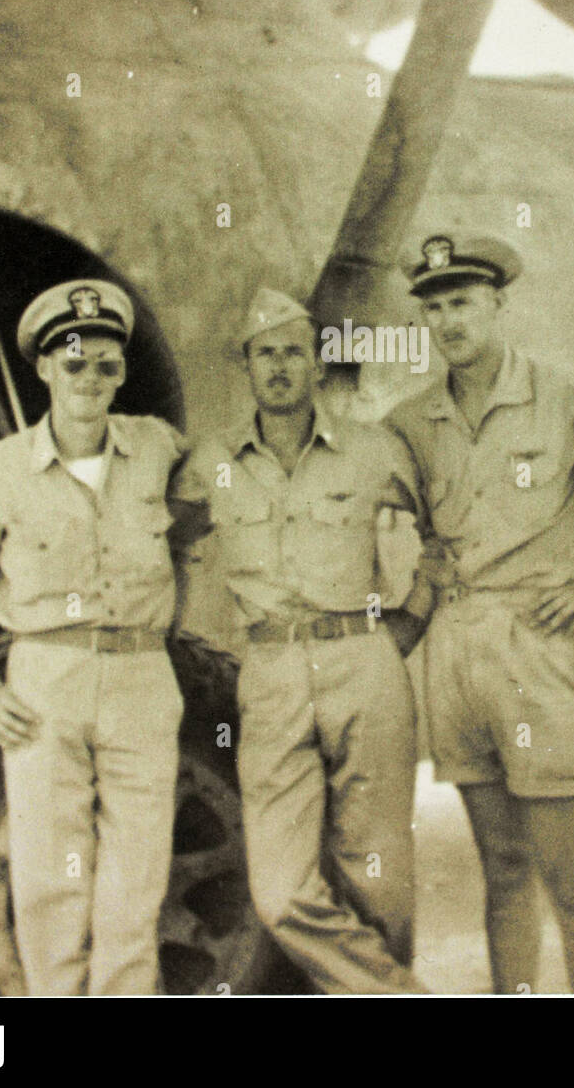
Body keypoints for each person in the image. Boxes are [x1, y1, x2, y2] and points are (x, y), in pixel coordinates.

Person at [386, 233, 574, 994]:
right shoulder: (411, 419)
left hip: (538, 651)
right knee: (502, 873)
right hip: (456, 655)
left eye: (461, 302)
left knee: (573, 880)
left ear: (497, 304)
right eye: (433, 308)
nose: (448, 320)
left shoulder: (562, 391)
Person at [0, 279, 186, 996]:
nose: (89, 380)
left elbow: (203, 525)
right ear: (43, 370)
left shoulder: (159, 451)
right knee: (48, 880)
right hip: (44, 685)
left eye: (104, 365)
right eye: (73, 364)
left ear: (122, 372)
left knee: (136, 876)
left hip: (141, 678)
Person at [171, 288, 430, 994]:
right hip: (272, 672)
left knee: (376, 873)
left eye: (293, 351)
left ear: (315, 363)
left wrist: (412, 615)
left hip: (363, 661)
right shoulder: (213, 463)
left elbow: (448, 527)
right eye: (265, 354)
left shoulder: (372, 450)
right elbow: (169, 539)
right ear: (246, 367)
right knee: (281, 892)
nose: (280, 366)